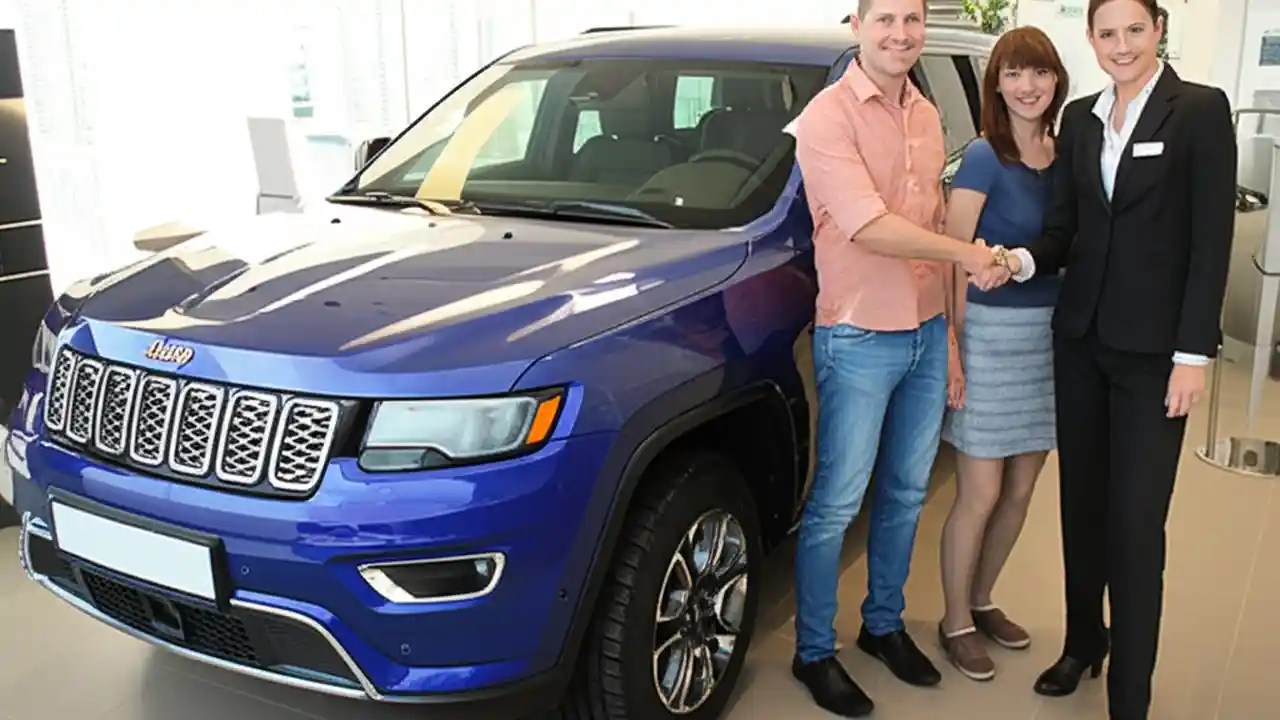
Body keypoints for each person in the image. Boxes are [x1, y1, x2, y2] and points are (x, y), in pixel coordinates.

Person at [975, 0, 1237, 716]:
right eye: (1106, 33)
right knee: (1082, 506)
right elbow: (1069, 230)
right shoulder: (1084, 118)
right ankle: (1084, 642)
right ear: (1090, 40)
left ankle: (1130, 692)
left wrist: (1194, 353)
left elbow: (1210, 243)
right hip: (1081, 342)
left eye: (1134, 31)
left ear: (1158, 31)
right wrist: (1020, 260)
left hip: (1156, 356)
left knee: (1135, 521)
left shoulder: (1199, 111)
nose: (1121, 45)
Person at [787, 0, 1001, 716]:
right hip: (859, 335)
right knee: (837, 503)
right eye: (886, 20)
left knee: (908, 493)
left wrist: (947, 340)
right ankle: (814, 650)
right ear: (857, 25)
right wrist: (969, 256)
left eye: (912, 19)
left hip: (923, 331)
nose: (901, 34)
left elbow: (932, 218)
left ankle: (883, 625)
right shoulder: (826, 118)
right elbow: (869, 228)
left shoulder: (926, 110)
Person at [935, 26, 1070, 682]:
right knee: (979, 492)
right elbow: (954, 261)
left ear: (1055, 81)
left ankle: (984, 598)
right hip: (986, 339)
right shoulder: (985, 156)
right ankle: (954, 618)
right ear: (997, 85)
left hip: (1048, 341)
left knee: (1022, 487)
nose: (1026, 86)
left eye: (1038, 73)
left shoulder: (1066, 153)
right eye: (1013, 74)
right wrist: (953, 348)